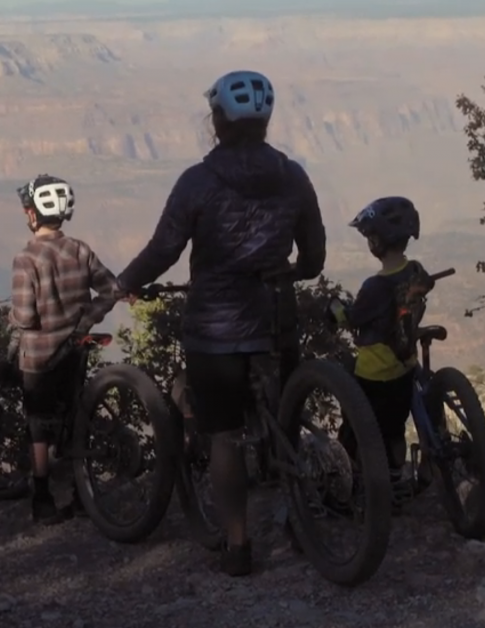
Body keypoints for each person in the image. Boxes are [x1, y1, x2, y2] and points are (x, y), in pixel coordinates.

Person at [115, 70, 326, 576]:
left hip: (216, 328)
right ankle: (302, 521)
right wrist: (289, 272)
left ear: (218, 121)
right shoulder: (294, 176)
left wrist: (125, 282)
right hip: (276, 319)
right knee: (286, 422)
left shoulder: (198, 181)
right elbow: (315, 256)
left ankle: (238, 546)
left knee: (226, 436)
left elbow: (164, 249)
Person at [9, 174, 122, 525]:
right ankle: (80, 496)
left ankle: (42, 500)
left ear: (32, 214)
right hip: (74, 349)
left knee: (38, 426)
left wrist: (12, 316)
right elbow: (111, 289)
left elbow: (26, 316)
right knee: (74, 416)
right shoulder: (80, 250)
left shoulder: (25, 259)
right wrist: (88, 318)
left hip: (39, 356)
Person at [327, 196, 426, 509]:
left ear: (375, 241)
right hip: (405, 368)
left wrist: (336, 311)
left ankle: (357, 488)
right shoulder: (416, 271)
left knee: (357, 428)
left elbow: (354, 318)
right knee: (395, 429)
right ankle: (396, 481)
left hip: (374, 374)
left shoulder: (374, 287)